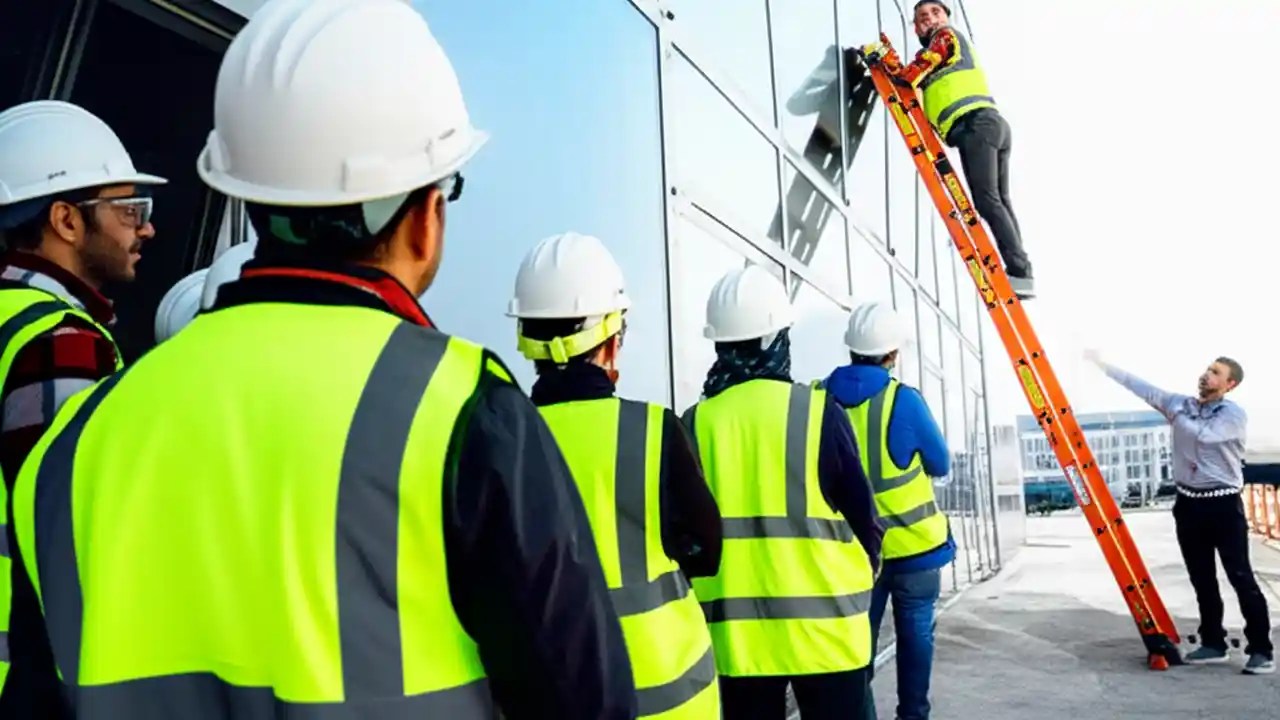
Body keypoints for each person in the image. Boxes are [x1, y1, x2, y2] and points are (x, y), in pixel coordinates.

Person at [8, 0, 638, 717]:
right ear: (428, 218)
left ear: (249, 199)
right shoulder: (462, 410)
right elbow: (588, 700)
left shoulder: (79, 437)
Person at [506, 231, 724, 718]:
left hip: (556, 696)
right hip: (668, 693)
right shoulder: (652, 430)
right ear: (610, 339)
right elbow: (707, 549)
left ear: (527, 340)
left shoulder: (502, 435)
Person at [0, 98, 164, 717]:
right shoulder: (61, 340)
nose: (145, 229)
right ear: (66, 220)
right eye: (129, 210)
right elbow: (67, 536)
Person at [680, 264, 882, 720]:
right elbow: (864, 519)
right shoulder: (817, 412)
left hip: (738, 645)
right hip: (828, 637)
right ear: (778, 339)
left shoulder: (696, 422)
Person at [1086, 350, 1274, 675]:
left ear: (1229, 384)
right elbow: (1142, 387)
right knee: (1201, 578)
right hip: (1188, 504)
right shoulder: (1180, 404)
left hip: (1223, 504)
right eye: (1207, 369)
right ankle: (1213, 643)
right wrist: (1102, 365)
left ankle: (1261, 650)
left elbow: (1206, 436)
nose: (1206, 375)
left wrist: (1176, 414)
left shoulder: (1232, 415)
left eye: (1215, 373)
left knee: (1240, 577)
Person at [821, 301, 955, 720]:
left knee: (855, 645)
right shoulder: (904, 401)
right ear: (893, 353)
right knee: (915, 636)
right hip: (915, 550)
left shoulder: (818, 399)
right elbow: (941, 463)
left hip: (855, 553)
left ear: (850, 348)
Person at [888, 0, 1034, 300]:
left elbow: (916, 70)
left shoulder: (945, 38)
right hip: (988, 125)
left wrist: (893, 71)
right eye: (922, 17)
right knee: (998, 201)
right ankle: (1022, 273)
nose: (930, 19)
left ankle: (1020, 271)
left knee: (987, 201)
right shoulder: (944, 55)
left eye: (935, 13)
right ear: (915, 29)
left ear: (946, 17)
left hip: (976, 125)